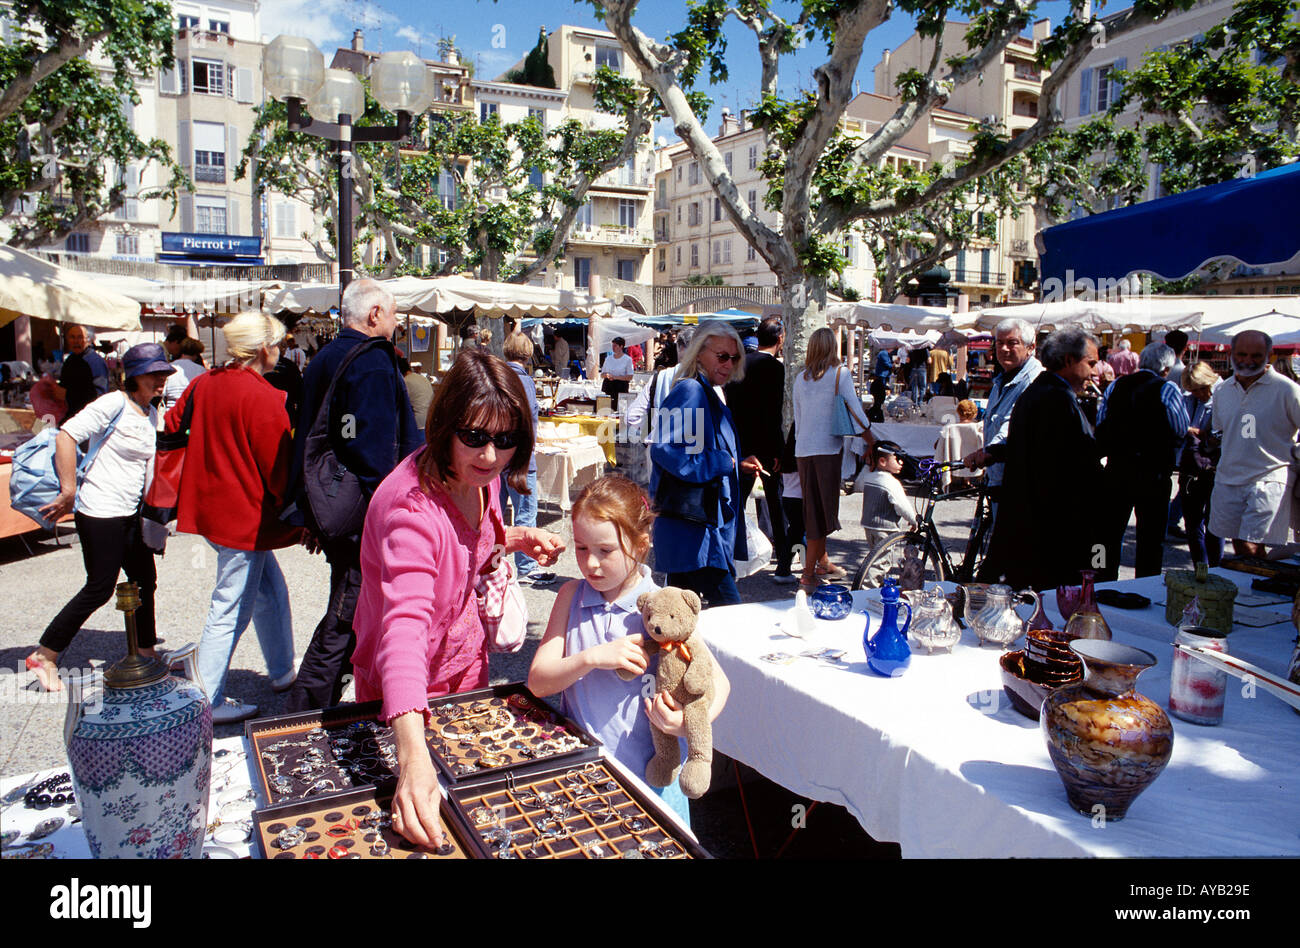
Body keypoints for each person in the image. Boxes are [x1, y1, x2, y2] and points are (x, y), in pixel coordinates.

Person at [350, 348, 564, 848]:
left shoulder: (479, 478)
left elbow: (468, 537)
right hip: (408, 688)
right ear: (444, 426)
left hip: (467, 663)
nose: (490, 456)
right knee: (423, 814)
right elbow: (402, 630)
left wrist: (513, 536)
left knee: (476, 809)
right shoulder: (411, 511)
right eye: (474, 437)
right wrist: (411, 758)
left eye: (505, 440)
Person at [527, 475, 731, 825]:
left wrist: (687, 723)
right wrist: (591, 657)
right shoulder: (570, 597)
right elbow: (538, 682)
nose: (591, 564)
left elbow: (721, 684)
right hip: (582, 777)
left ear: (640, 545)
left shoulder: (662, 610)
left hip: (650, 782)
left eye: (605, 551)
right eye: (581, 548)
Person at [285, 279, 425, 712]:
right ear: (375, 314)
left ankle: (353, 696)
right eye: (395, 313)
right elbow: (375, 449)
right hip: (361, 512)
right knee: (348, 611)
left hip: (333, 503)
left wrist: (312, 509)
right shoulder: (373, 361)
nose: (398, 323)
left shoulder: (324, 357)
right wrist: (395, 508)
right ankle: (307, 708)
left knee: (356, 605)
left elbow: (312, 434)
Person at [165, 313, 300, 724]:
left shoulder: (205, 382)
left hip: (209, 508)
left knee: (267, 589)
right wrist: (301, 515)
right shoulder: (261, 396)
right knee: (231, 606)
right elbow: (280, 468)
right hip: (244, 517)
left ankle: (281, 671)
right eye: (276, 343)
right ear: (264, 348)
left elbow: (170, 427)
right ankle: (208, 698)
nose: (278, 349)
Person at [25, 344, 174, 691]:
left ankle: (146, 651)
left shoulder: (150, 412)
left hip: (129, 513)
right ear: (134, 377)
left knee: (143, 580)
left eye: (163, 374)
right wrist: (68, 489)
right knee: (100, 587)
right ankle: (45, 655)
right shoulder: (114, 403)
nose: (161, 381)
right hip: (99, 510)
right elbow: (66, 435)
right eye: (154, 374)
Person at [979, 327, 1103, 591]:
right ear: (1069, 360)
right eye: (1090, 363)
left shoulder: (1041, 392)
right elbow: (1068, 468)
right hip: (1051, 534)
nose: (1095, 372)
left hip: (1033, 530)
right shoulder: (1055, 398)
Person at [650, 321, 756, 607]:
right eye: (722, 356)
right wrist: (723, 461)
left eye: (734, 358)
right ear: (698, 353)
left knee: (680, 620)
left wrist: (735, 464)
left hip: (695, 526)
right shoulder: (694, 391)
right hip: (696, 530)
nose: (729, 364)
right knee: (731, 614)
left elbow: (692, 450)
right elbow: (666, 450)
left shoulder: (705, 391)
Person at [1095, 342, 1190, 580]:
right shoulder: (1167, 389)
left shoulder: (1117, 385)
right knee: (1151, 538)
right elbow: (1180, 428)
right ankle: (1146, 585)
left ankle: (1102, 581)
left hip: (1118, 469)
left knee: (1108, 535)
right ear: (1166, 369)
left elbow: (1102, 421)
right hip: (1153, 474)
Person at [793, 326, 873, 592]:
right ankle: (808, 574)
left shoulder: (800, 379)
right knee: (821, 514)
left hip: (804, 450)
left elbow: (799, 419)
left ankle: (821, 563)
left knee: (813, 511)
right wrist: (872, 440)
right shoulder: (840, 374)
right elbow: (856, 411)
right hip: (828, 450)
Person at [1208, 330, 1300, 557]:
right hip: (1228, 479)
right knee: (1239, 545)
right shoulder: (1222, 390)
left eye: (1256, 356)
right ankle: (1255, 587)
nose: (1248, 361)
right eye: (1242, 354)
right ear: (1231, 354)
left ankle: (1258, 584)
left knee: (1251, 545)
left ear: (1268, 355)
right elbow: (1220, 429)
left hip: (1268, 478)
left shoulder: (1287, 389)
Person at [724, 316, 790, 581]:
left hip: (740, 443)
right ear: (780, 338)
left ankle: (727, 559)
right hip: (764, 445)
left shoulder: (741, 364)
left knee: (736, 504)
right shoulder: (774, 368)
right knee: (775, 506)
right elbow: (773, 412)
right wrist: (778, 450)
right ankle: (783, 563)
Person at [963, 318, 1043, 512]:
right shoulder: (1002, 379)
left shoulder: (1033, 380)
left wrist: (990, 453)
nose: (1004, 348)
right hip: (997, 477)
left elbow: (1011, 426)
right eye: (1000, 343)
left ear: (1030, 347)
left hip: (1018, 482)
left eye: (1012, 343)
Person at [501, 332, 554, 585]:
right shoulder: (525, 381)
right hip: (520, 457)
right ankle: (526, 568)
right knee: (525, 514)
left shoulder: (498, 377)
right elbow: (529, 422)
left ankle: (494, 564)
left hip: (496, 455)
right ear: (528, 353)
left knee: (496, 514)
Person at [1179, 362, 1223, 567]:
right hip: (1191, 468)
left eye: (1201, 389)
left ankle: (1215, 570)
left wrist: (1198, 433)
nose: (1198, 394)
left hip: (1215, 468)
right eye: (1193, 391)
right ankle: (1201, 569)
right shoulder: (1187, 400)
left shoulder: (1222, 399)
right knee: (1192, 524)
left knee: (1215, 524)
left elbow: (1222, 435)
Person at [854, 440, 919, 549]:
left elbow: (858, 485)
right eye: (897, 459)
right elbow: (902, 505)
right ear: (883, 461)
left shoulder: (869, 477)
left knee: (874, 554)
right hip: (886, 528)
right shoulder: (891, 482)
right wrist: (913, 520)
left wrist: (867, 465)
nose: (901, 463)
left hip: (869, 525)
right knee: (883, 561)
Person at [57, 325, 105, 421]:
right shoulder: (70, 360)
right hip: (70, 416)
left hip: (88, 419)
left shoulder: (95, 362)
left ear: (89, 340)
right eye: (72, 337)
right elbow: (63, 385)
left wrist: (67, 394)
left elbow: (99, 395)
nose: (76, 341)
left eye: (80, 337)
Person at [263, 335, 304, 426]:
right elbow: (299, 392)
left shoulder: (260, 364)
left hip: (264, 413)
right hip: (285, 412)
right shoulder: (290, 365)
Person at [161, 337, 207, 416]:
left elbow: (162, 391)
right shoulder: (201, 370)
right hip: (191, 410)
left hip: (171, 410)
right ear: (196, 354)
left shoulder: (169, 367)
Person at [399, 355, 433, 430]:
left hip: (418, 423)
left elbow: (399, 403)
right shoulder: (422, 378)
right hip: (429, 420)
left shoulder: (406, 381)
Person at [869, 345, 893, 423]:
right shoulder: (883, 353)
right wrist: (893, 365)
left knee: (881, 393)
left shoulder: (884, 353)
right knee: (880, 392)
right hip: (882, 375)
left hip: (883, 375)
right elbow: (887, 364)